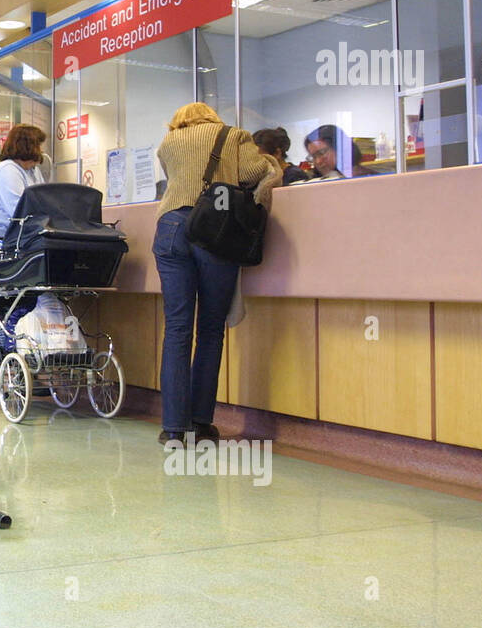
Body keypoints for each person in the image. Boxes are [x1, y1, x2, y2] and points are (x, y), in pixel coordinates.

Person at [153, 103, 280, 446]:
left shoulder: (168, 143)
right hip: (213, 227)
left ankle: (173, 429)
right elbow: (254, 173)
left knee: (177, 328)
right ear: (212, 118)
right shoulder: (234, 136)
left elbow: (174, 179)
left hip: (169, 228)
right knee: (210, 329)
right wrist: (271, 162)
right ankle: (199, 422)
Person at [301, 124, 374, 181]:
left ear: (340, 149)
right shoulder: (321, 181)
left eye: (322, 153)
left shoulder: (366, 178)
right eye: (313, 157)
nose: (318, 161)